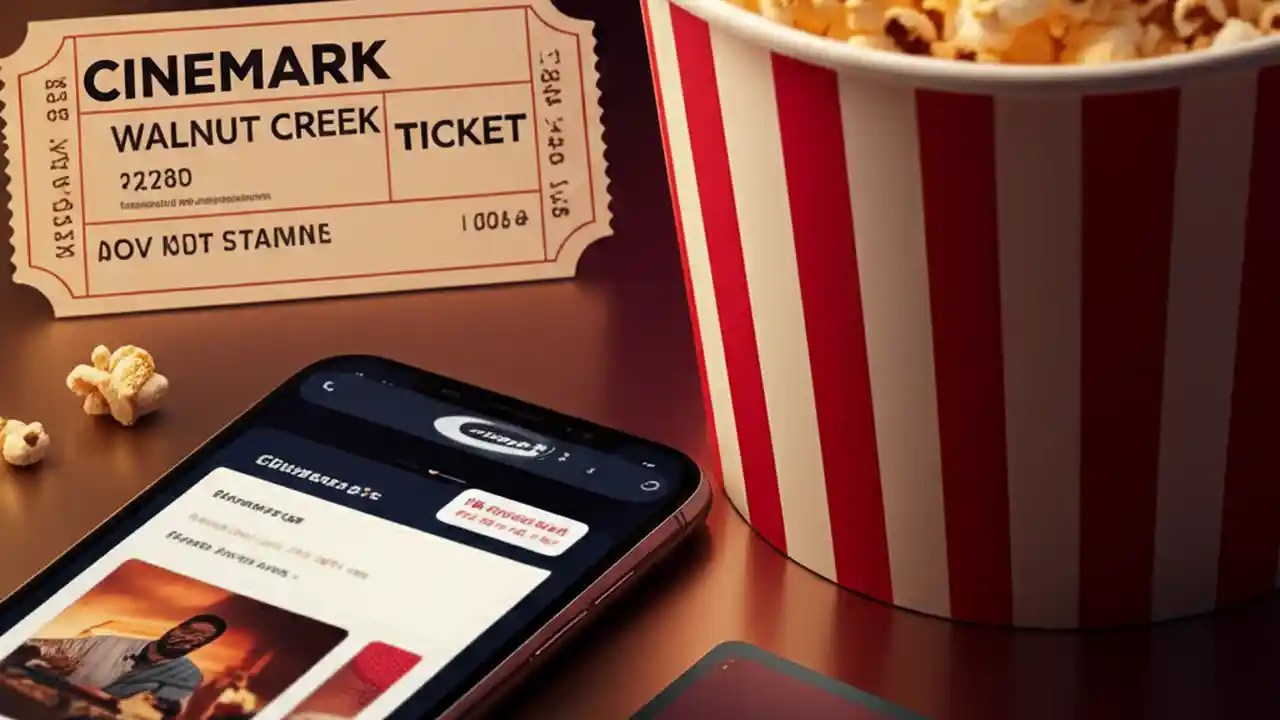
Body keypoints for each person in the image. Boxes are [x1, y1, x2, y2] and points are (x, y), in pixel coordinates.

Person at [7, 614, 228, 708]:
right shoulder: (109, 642)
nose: (187, 639)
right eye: (187, 630)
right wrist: (36, 653)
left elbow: (166, 711)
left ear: (202, 646)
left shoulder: (188, 677)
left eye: (199, 638)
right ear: (175, 626)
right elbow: (31, 644)